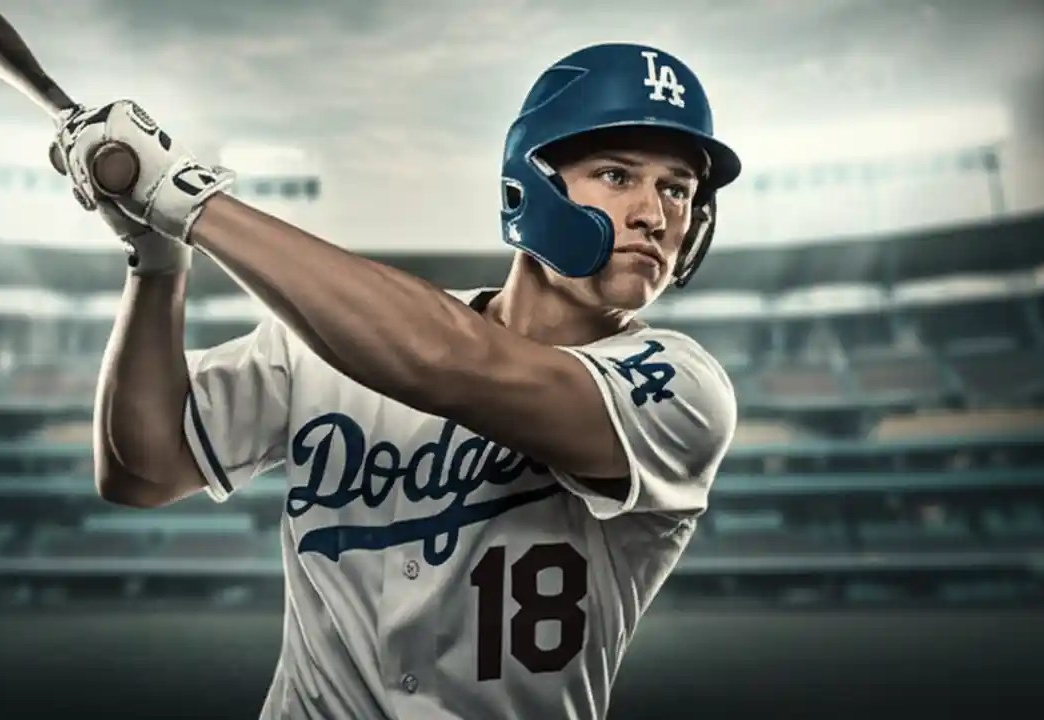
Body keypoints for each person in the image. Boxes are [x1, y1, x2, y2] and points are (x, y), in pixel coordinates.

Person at [61, 42, 741, 720]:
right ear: (531, 184)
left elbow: (446, 362)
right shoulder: (339, 331)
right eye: (618, 176)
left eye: (677, 189)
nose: (655, 215)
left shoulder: (682, 389)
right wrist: (156, 261)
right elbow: (141, 471)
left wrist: (188, 202)